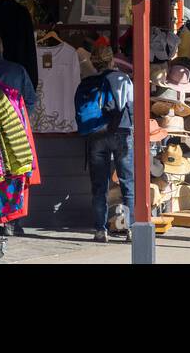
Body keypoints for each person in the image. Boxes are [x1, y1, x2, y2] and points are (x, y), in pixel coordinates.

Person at [84, 44, 134, 243]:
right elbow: (131, 106)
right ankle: (129, 228)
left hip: (96, 134)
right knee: (127, 183)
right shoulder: (123, 79)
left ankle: (100, 229)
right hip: (121, 132)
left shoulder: (88, 81)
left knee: (99, 185)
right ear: (112, 59)